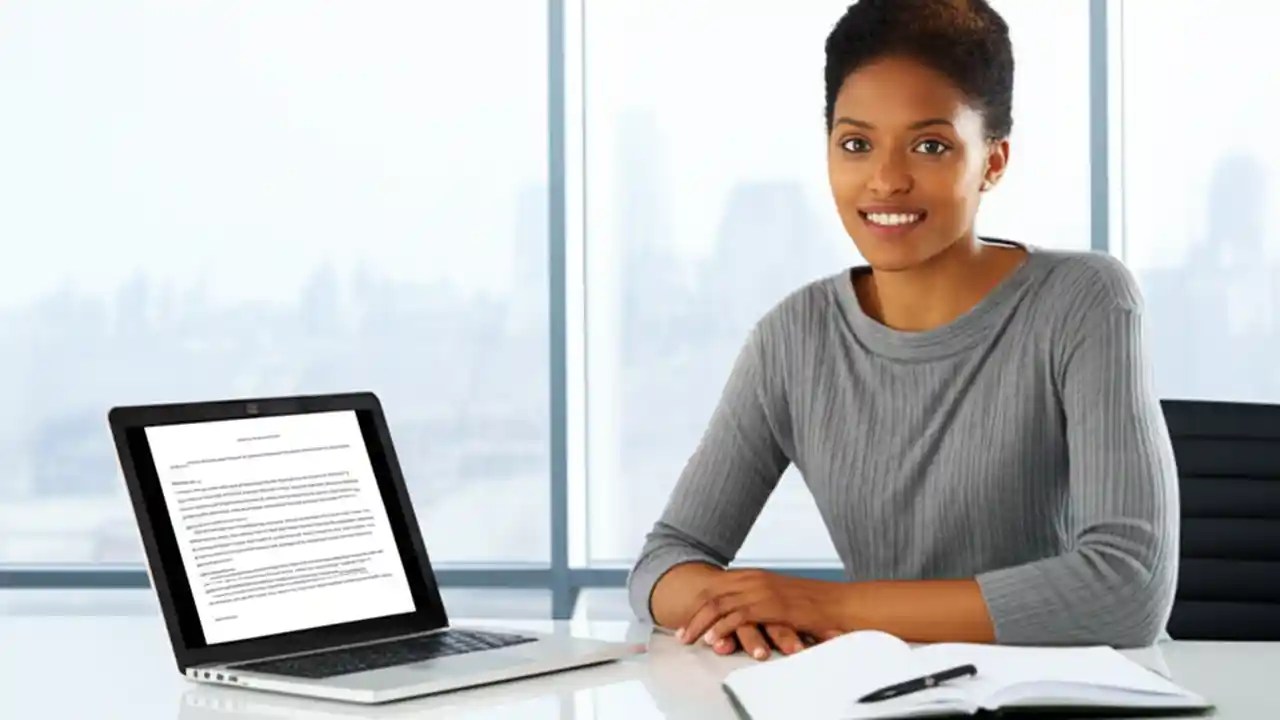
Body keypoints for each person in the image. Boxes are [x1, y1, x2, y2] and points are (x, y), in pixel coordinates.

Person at [625, 0, 1179, 662]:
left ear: (993, 162)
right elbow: (666, 562)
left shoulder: (1083, 301)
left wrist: (825, 606)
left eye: (930, 145)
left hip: (1070, 694)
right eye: (856, 144)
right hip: (886, 693)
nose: (886, 180)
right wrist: (746, 613)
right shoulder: (794, 338)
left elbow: (1126, 590)